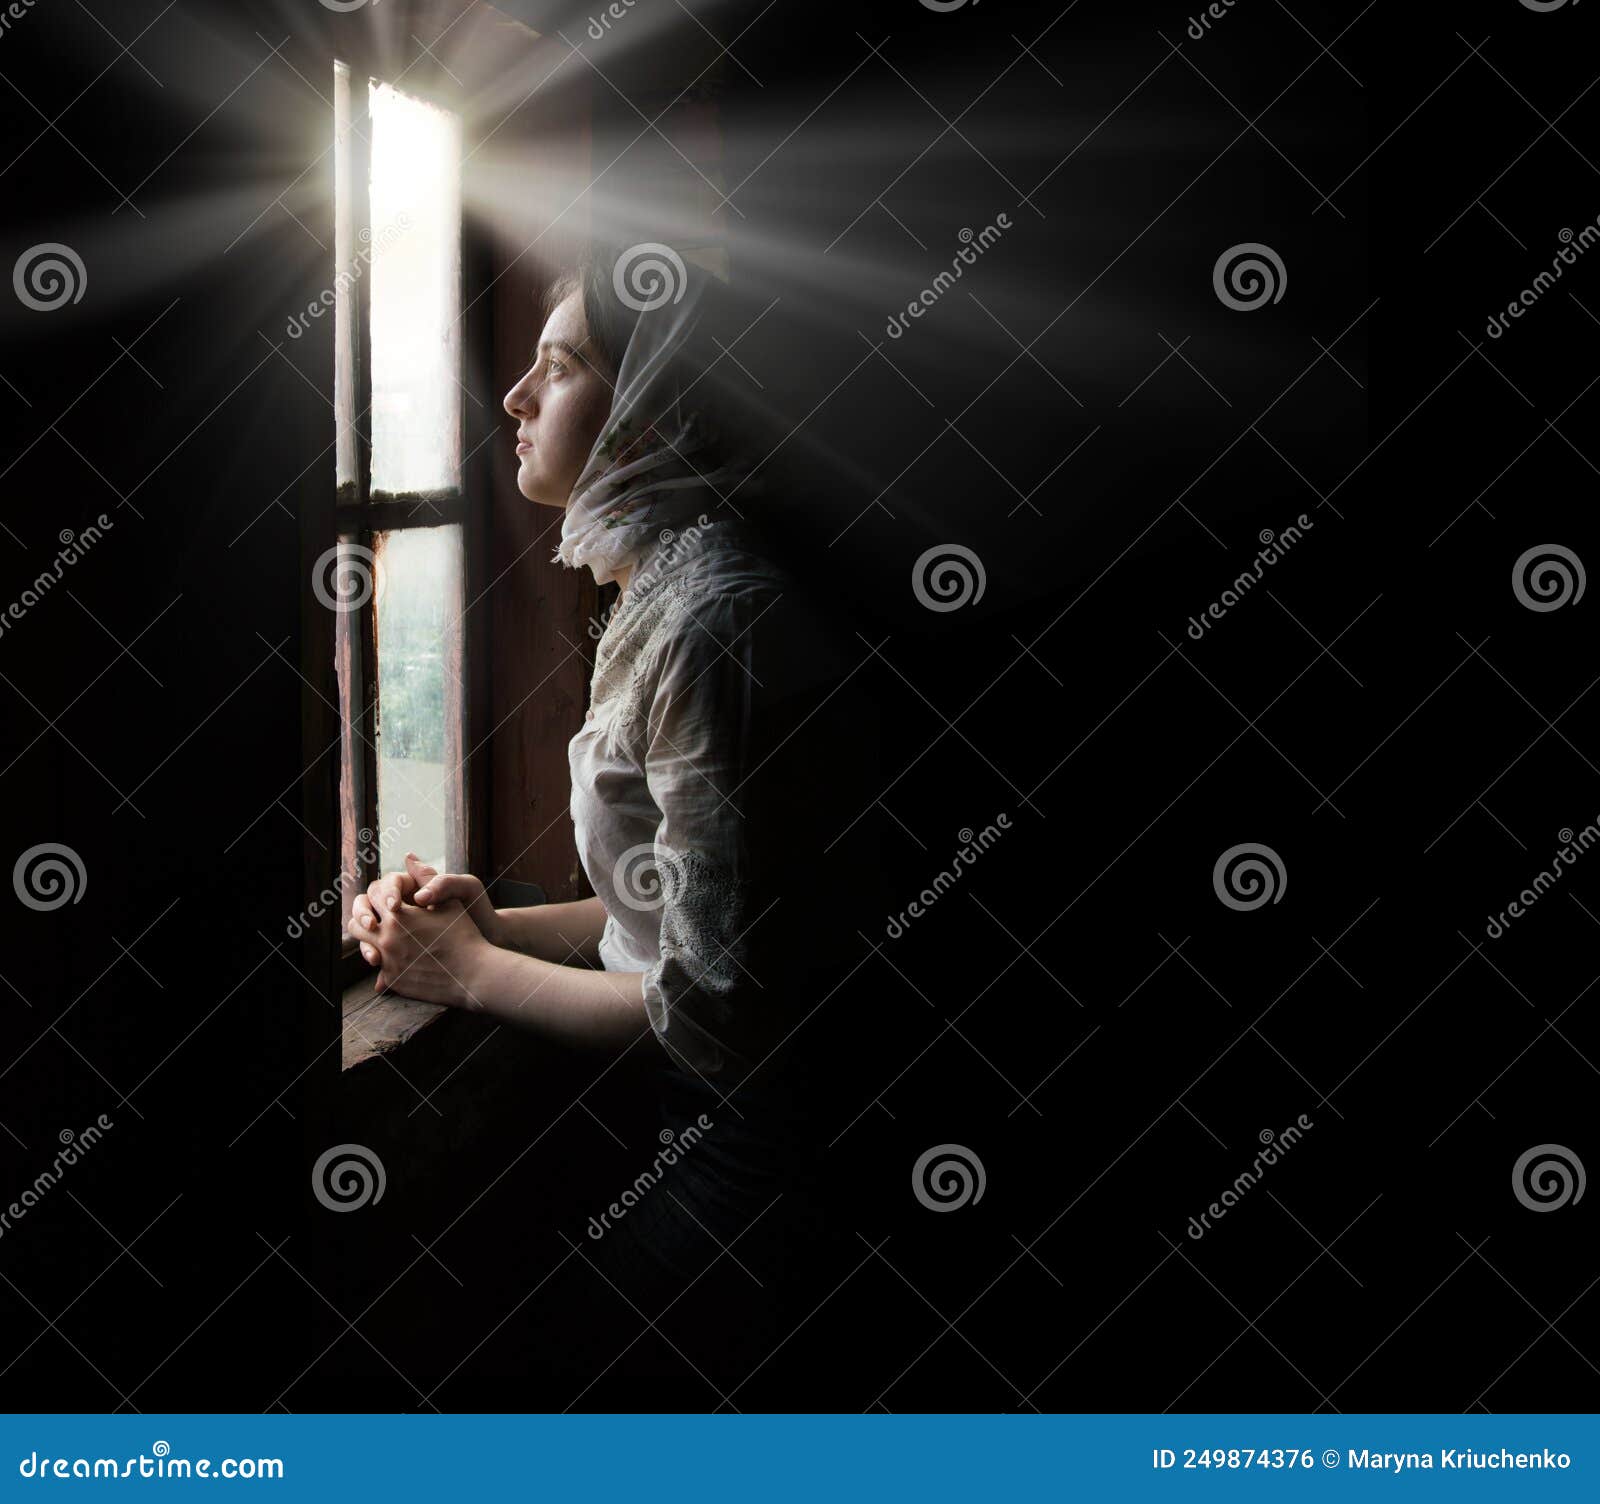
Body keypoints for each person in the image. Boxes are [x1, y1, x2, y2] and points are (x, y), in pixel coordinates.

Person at [349, 246, 886, 1385]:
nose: (514, 394)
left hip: (750, 1159)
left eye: (561, 365)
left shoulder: (709, 625)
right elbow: (683, 905)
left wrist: (472, 973)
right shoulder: (665, 587)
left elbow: (719, 1004)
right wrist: (495, 918)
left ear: (659, 401)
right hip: (698, 1126)